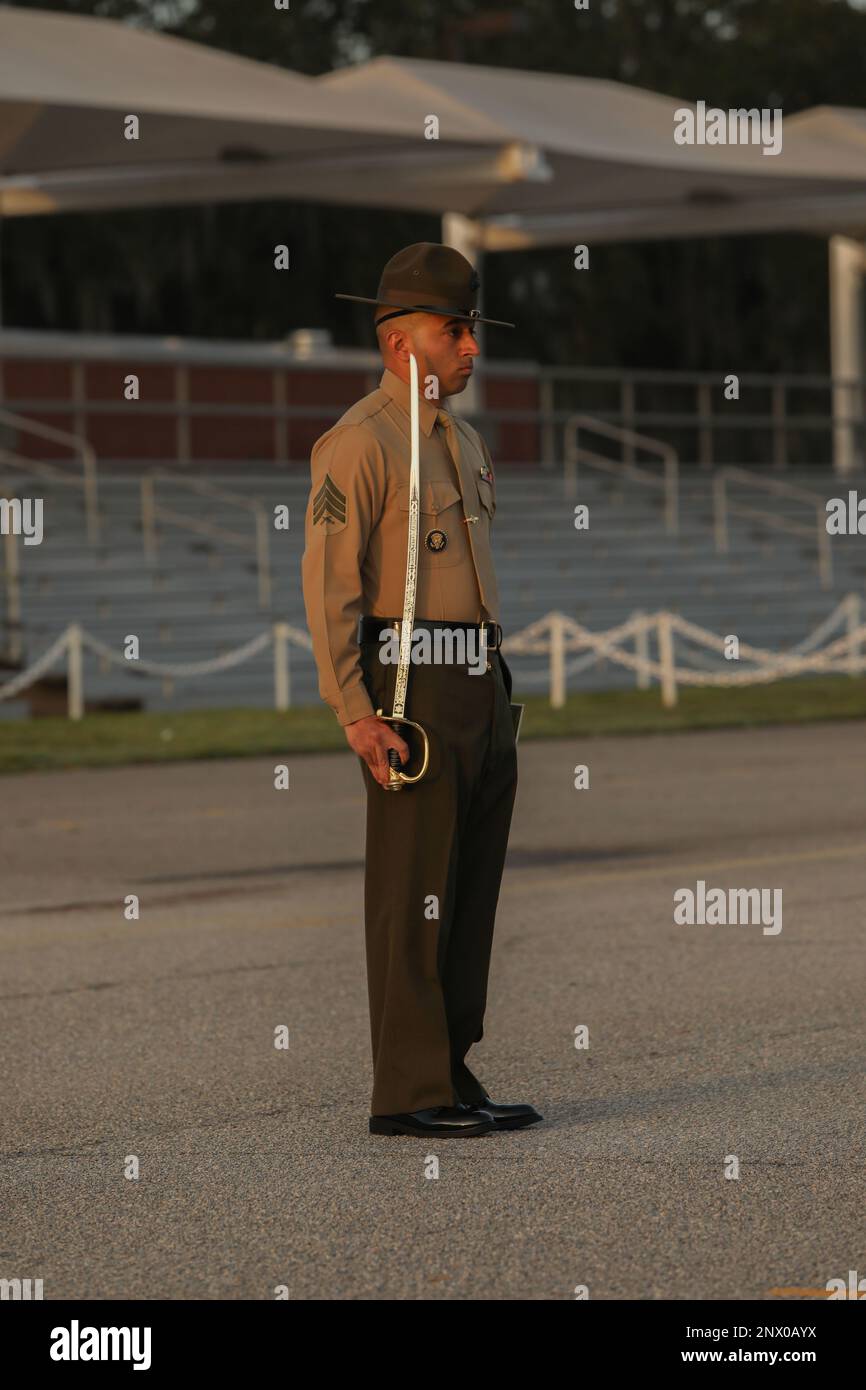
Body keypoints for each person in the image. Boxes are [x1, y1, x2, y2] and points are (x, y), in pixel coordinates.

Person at [302, 242, 541, 1137]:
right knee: (415, 891)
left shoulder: (463, 440)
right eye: (457, 330)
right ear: (403, 343)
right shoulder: (360, 443)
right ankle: (408, 1091)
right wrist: (356, 712)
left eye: (472, 329)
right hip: (411, 687)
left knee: (469, 890)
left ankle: (451, 1067)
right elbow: (329, 585)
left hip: (479, 679)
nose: (471, 347)